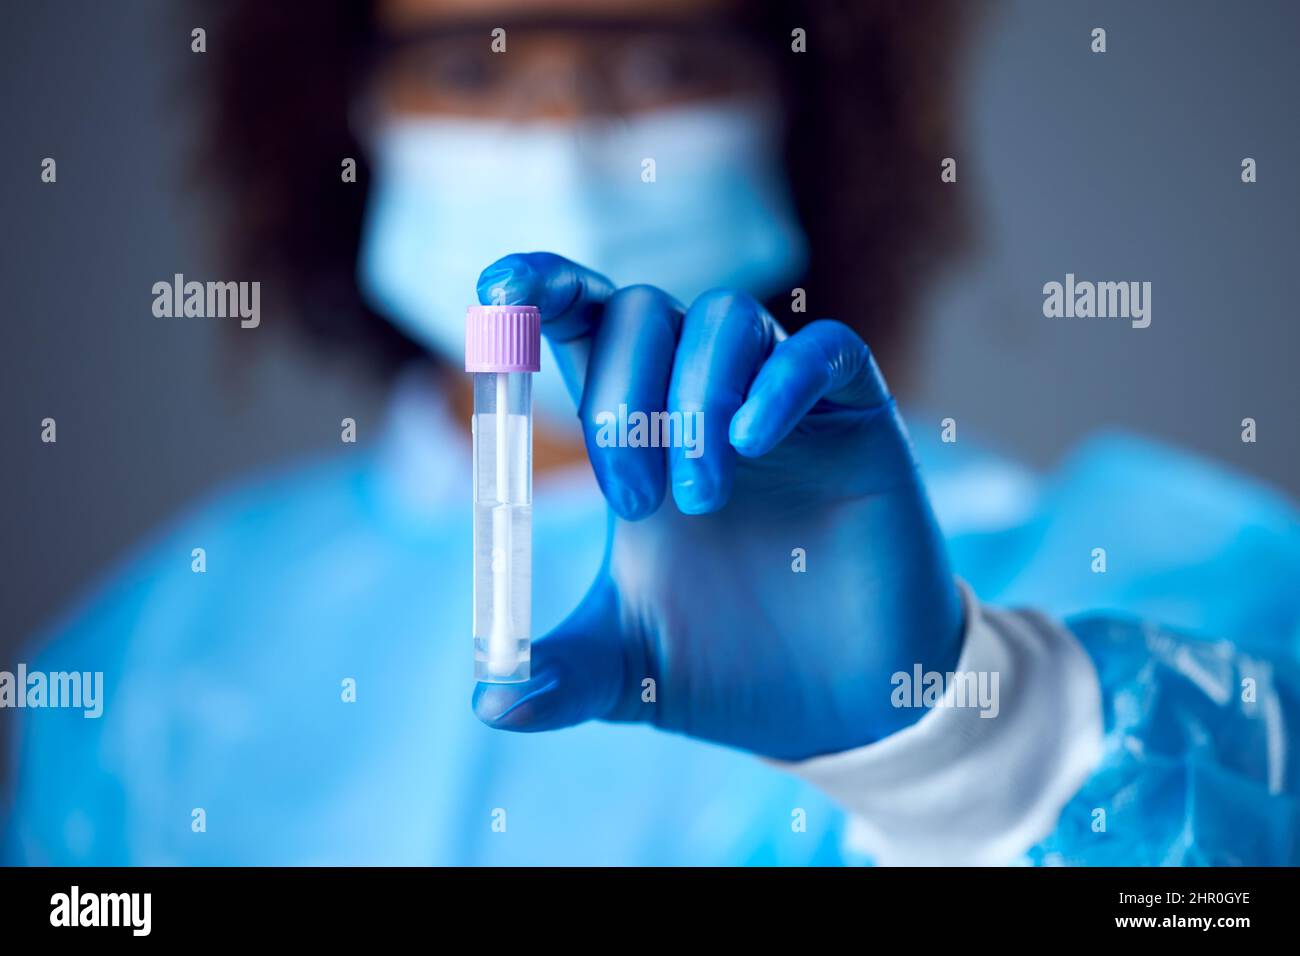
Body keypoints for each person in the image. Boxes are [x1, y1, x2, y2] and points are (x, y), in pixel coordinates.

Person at [4, 0, 1298, 866]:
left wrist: (971, 738)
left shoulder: (1110, 579)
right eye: (470, 63)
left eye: (666, 60)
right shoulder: (166, 643)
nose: (562, 127)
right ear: (339, 113)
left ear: (805, 113)